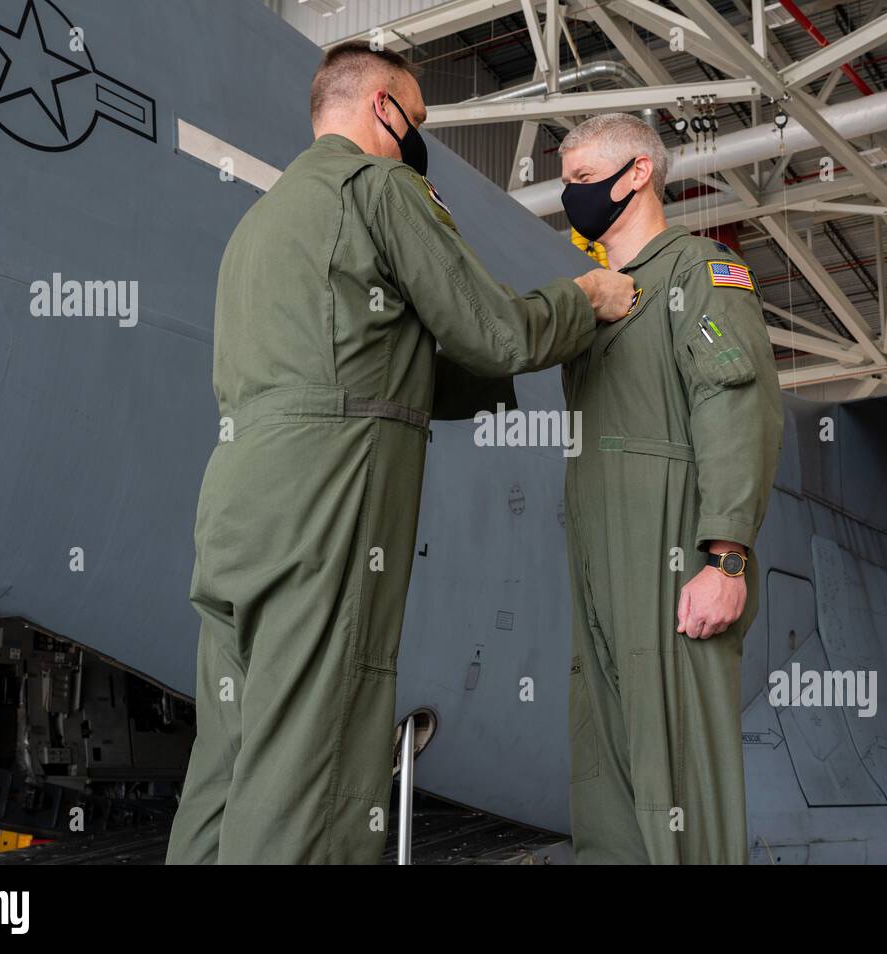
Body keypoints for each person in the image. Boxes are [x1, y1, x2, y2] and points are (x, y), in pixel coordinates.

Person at [165, 43, 634, 865]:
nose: (419, 140)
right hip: (326, 507)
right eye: (417, 119)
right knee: (311, 765)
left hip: (235, 515)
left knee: (229, 759)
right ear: (383, 108)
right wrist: (582, 299)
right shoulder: (382, 189)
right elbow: (492, 330)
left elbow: (358, 361)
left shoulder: (260, 225)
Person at [557, 113, 783, 864]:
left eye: (584, 178)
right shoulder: (597, 296)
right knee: (607, 782)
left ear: (638, 173)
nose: (570, 195)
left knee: (680, 773)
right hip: (600, 558)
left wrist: (726, 558)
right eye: (566, 180)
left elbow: (733, 406)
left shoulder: (699, 272)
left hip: (669, 553)